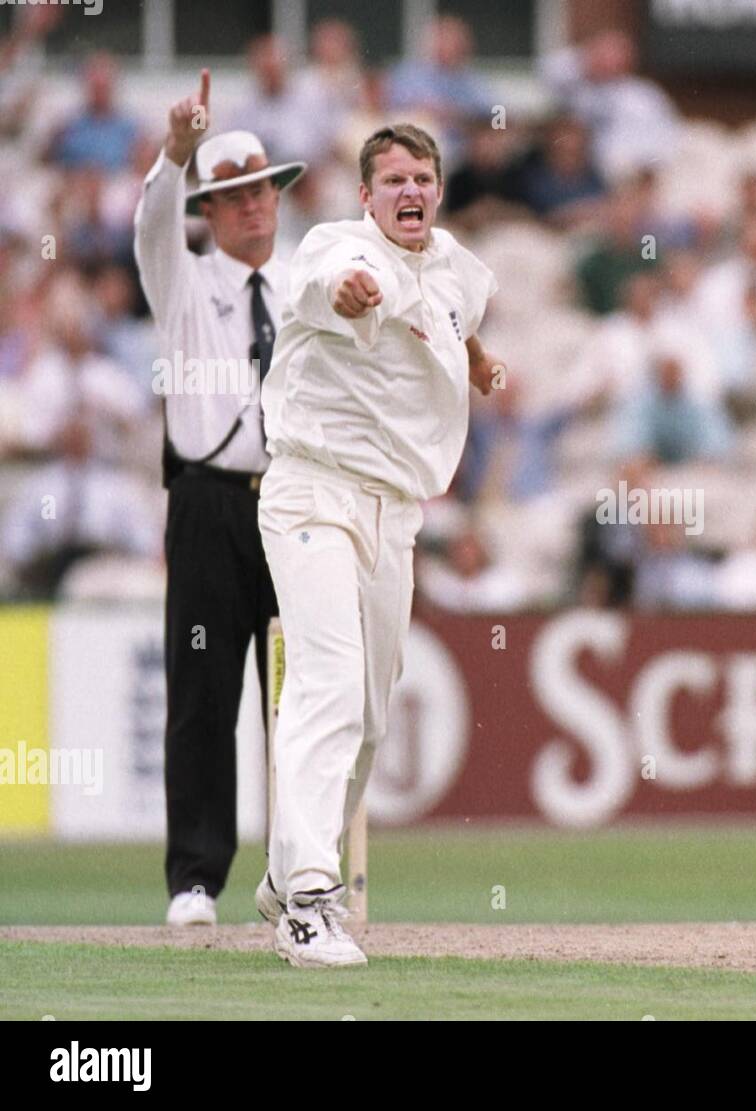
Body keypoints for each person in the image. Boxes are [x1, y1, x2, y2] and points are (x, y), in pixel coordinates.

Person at [255, 123, 500, 967]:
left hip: (396, 511)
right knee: (326, 682)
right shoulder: (338, 249)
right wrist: (353, 291)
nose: (410, 191)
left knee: (369, 713)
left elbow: (456, 316)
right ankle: (308, 901)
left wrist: (481, 362)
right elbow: (333, 285)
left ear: (439, 189)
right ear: (367, 196)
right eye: (392, 180)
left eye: (422, 178)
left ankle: (287, 865)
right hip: (313, 488)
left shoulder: (456, 265)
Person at [133, 70, 306, 926]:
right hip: (208, 502)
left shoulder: (304, 284)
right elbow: (150, 225)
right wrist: (176, 152)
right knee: (203, 691)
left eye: (261, 190)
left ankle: (302, 871)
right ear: (208, 208)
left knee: (302, 696)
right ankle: (196, 879)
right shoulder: (185, 281)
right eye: (233, 195)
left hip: (296, 502)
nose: (252, 206)